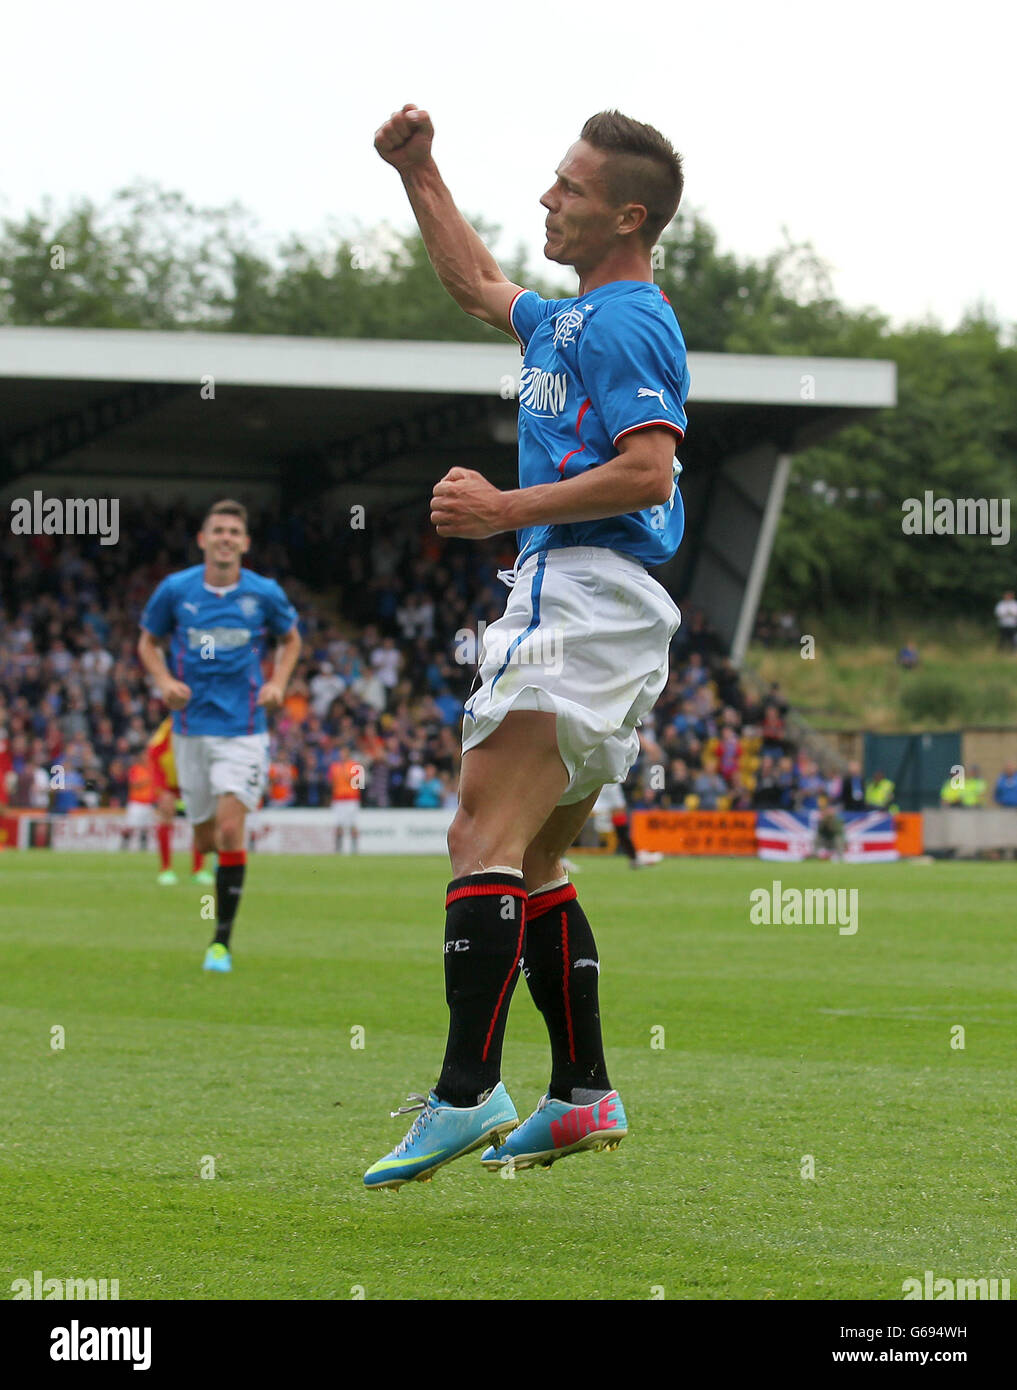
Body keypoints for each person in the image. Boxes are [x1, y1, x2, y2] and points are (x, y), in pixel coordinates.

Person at [366, 103, 687, 1188]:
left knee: (478, 836)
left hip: (580, 595)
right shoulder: (565, 320)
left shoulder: (629, 323)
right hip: (603, 605)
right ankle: (585, 1092)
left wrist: (507, 509)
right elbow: (471, 281)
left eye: (571, 188)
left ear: (626, 215)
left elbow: (651, 472)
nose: (549, 197)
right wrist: (420, 172)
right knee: (539, 857)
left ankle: (466, 1092)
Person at [138, 500, 301, 972]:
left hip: (245, 730)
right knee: (207, 838)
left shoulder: (263, 593)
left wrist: (278, 684)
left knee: (231, 830)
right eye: (218, 531)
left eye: (234, 531)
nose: (226, 538)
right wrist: (164, 682)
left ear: (245, 543)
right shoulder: (175, 590)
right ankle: (210, 865)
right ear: (203, 540)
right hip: (190, 730)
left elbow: (291, 638)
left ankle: (220, 943)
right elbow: (146, 641)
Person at [147, 714, 212, 885]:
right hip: (170, 779)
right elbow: (154, 751)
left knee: (200, 821)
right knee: (166, 815)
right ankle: (166, 869)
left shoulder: (204, 724)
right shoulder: (171, 725)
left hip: (193, 777)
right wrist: (160, 785)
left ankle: (198, 870)